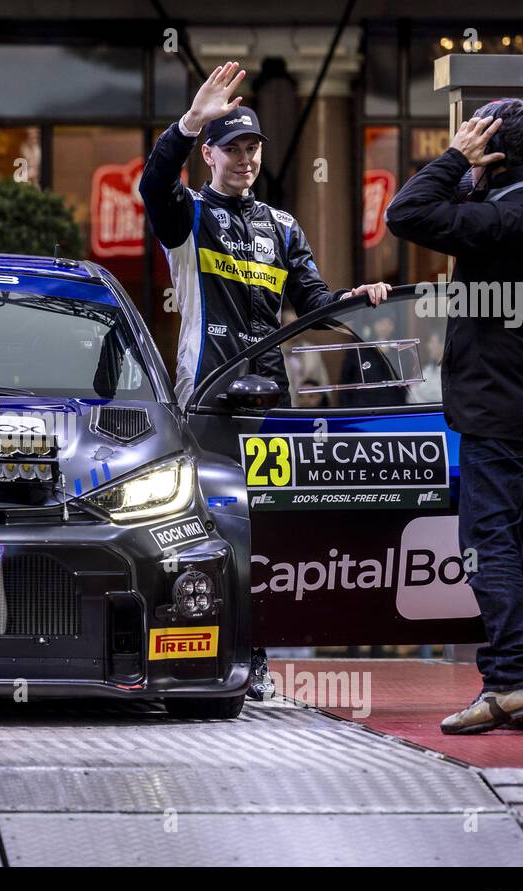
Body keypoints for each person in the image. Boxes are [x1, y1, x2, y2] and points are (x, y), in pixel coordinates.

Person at [139, 61, 390, 700]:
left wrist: (358, 299)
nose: (247, 159)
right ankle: (205, 652)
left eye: (253, 148)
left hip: (270, 405)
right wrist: (187, 122)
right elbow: (153, 182)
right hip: (205, 399)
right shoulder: (186, 215)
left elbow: (312, 301)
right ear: (210, 153)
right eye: (234, 147)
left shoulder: (281, 226)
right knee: (210, 533)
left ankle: (257, 657)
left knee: (266, 532)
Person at [385, 99, 523, 734]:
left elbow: (405, 213)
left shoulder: (503, 218)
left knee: (486, 545)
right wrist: (475, 173)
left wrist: (453, 159)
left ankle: (507, 682)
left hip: (499, 412)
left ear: (492, 153)